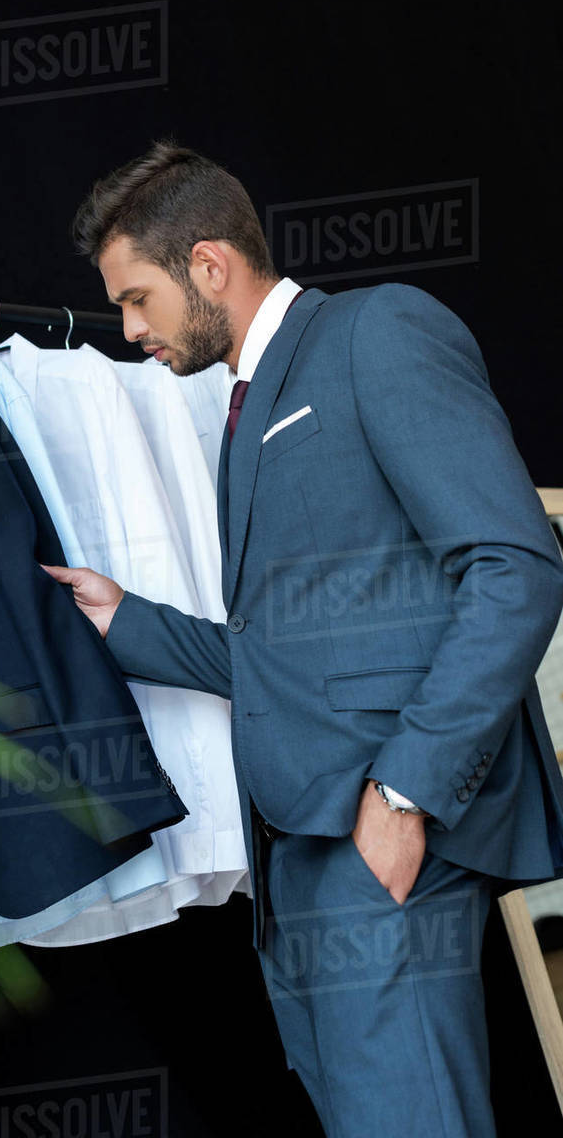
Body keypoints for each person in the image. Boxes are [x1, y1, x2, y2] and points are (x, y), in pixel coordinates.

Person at [41, 140, 563, 1137]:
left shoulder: (378, 332)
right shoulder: (246, 405)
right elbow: (292, 653)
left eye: (137, 297)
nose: (128, 327)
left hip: (378, 843)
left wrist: (403, 796)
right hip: (298, 867)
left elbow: (515, 566)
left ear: (208, 265)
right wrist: (124, 619)